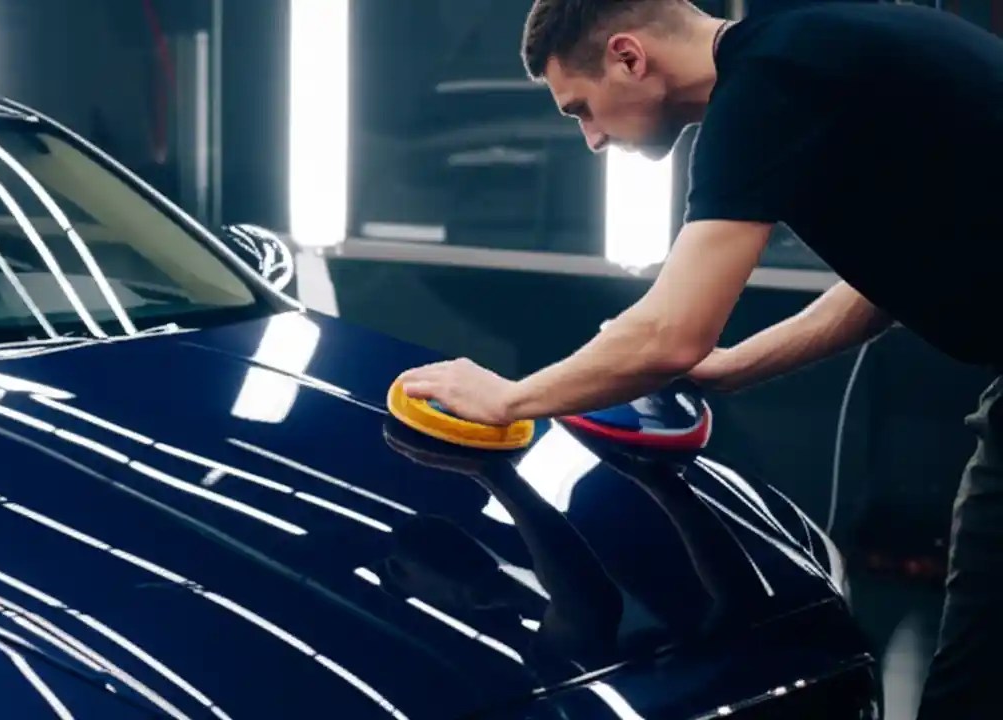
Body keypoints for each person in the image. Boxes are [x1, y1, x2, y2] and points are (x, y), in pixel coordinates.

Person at [395, 1, 1003, 717]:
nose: (589, 138)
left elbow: (667, 334)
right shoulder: (814, 47)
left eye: (580, 109)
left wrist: (509, 400)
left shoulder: (768, 85)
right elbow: (889, 281)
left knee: (975, 687)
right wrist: (735, 365)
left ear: (628, 56)